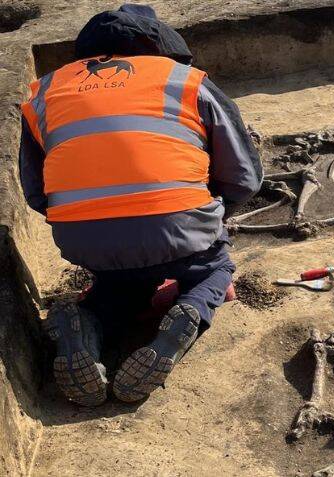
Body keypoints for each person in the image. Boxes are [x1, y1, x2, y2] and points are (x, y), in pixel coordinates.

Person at [18, 4, 261, 406]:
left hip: (85, 238)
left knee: (121, 284)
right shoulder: (185, 81)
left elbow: (35, 191)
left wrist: (97, 223)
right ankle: (187, 313)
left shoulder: (44, 92)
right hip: (178, 226)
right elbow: (244, 178)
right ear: (158, 42)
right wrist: (208, 219)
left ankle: (89, 319)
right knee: (214, 270)